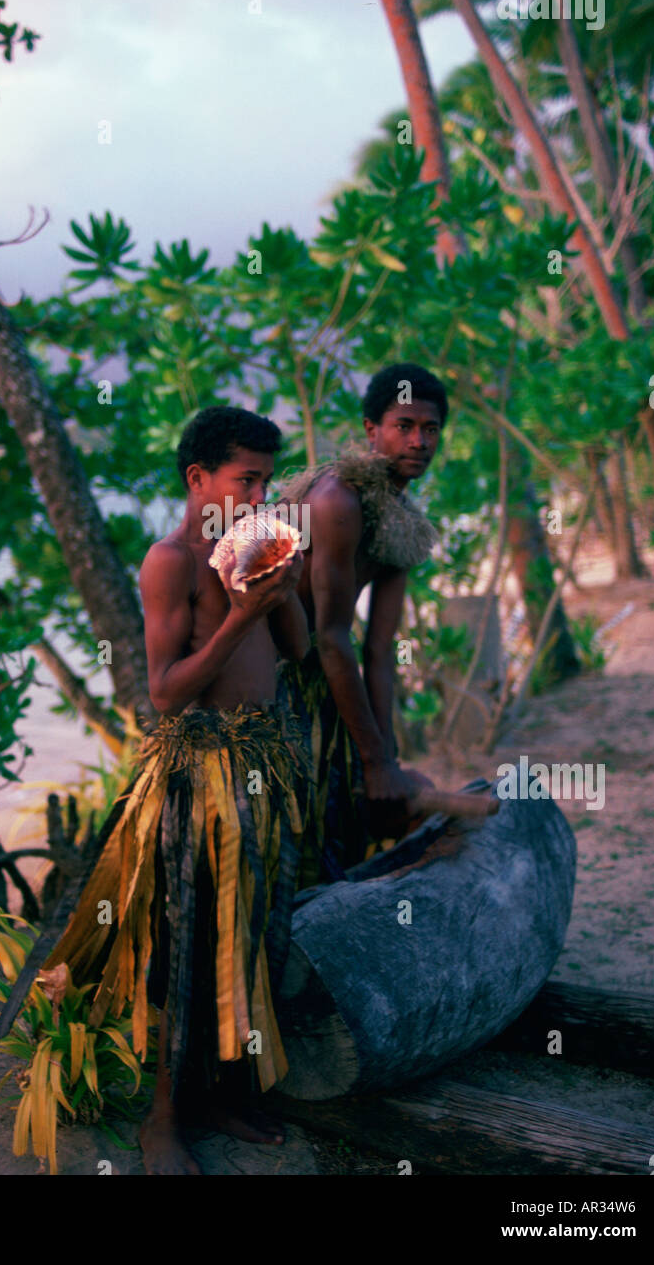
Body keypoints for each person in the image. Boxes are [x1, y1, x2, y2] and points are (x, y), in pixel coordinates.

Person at [43, 406, 311, 1175]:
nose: (259, 494)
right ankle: (162, 1119)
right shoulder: (171, 562)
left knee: (253, 935)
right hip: (198, 772)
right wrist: (238, 614)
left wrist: (281, 589)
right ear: (199, 479)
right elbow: (165, 694)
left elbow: (295, 651)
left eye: (266, 479)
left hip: (262, 767)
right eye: (245, 479)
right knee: (186, 941)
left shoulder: (254, 546)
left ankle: (223, 1093)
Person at [278, 362, 447, 884]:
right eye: (404, 426)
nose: (419, 441)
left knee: (387, 806)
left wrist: (388, 761)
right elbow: (330, 637)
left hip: (331, 682)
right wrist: (373, 760)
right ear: (371, 430)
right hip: (274, 680)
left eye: (431, 429)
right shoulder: (336, 501)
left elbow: (379, 649)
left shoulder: (405, 521)